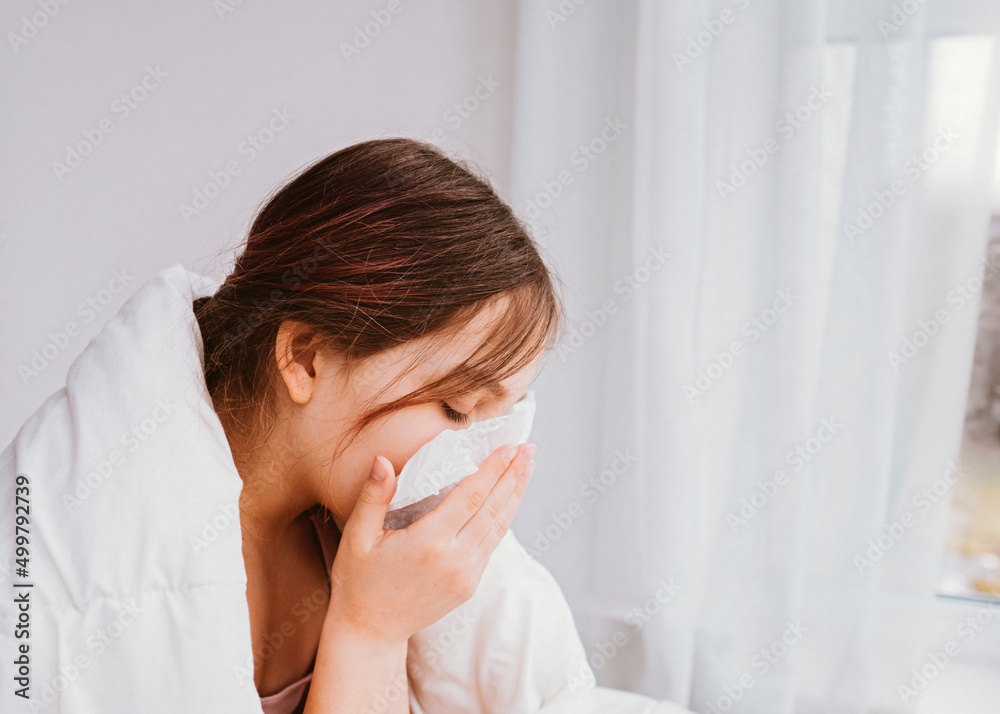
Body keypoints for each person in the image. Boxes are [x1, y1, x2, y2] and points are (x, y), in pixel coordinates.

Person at [191, 137, 560, 711]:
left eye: (498, 422)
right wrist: (371, 628)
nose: (475, 468)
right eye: (457, 408)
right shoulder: (134, 549)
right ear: (306, 359)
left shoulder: (353, 523)